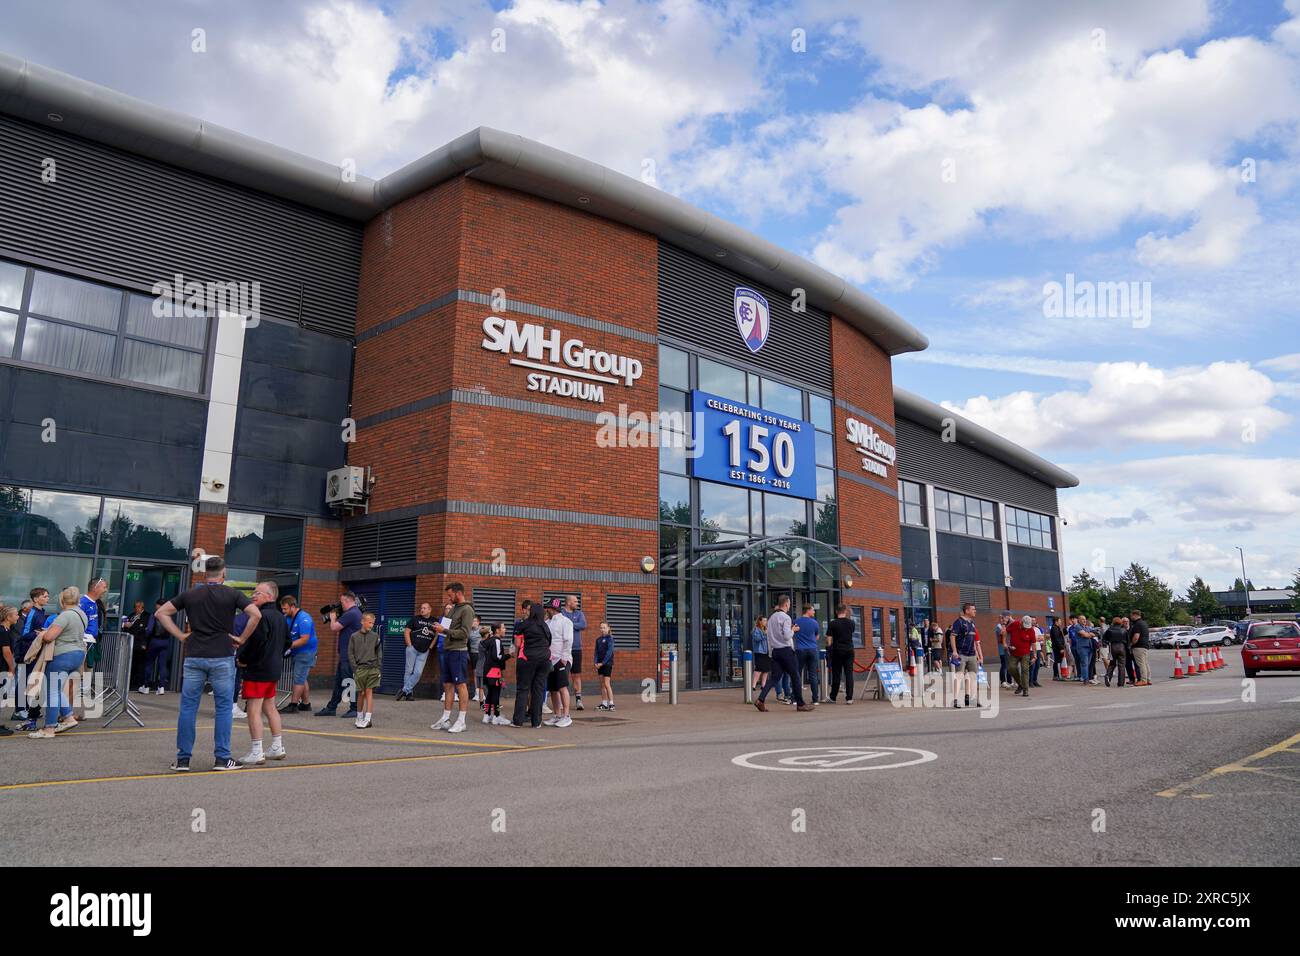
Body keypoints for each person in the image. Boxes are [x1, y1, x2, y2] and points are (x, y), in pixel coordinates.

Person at [154, 556, 261, 771]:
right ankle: (222, 758)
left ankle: (183, 759)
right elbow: (255, 614)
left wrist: (181, 636)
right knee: (223, 708)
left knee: (188, 708)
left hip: (194, 655)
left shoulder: (191, 594)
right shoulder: (232, 594)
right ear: (224, 573)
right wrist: (241, 639)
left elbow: (161, 613)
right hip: (222, 655)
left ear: (205, 574)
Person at [25, 586, 89, 739]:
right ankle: (68, 717)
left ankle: (49, 728)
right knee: (57, 689)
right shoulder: (82, 614)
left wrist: (43, 633)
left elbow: (49, 637)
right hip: (77, 655)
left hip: (62, 655)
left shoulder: (65, 615)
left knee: (52, 691)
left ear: (62, 600)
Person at [236, 581, 290, 764]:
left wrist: (243, 659)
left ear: (269, 596)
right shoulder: (281, 617)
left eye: (258, 593)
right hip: (273, 669)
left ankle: (257, 751)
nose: (253, 595)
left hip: (258, 669)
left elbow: (255, 643)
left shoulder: (260, 616)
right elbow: (288, 642)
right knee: (270, 707)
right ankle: (277, 746)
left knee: (253, 709)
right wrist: (276, 655)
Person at [754, 596, 811, 712]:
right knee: (795, 676)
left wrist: (771, 653)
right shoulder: (786, 618)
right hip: (786, 650)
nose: (789, 606)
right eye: (789, 604)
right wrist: (793, 630)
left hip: (775, 651)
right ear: (786, 604)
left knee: (774, 677)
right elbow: (786, 636)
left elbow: (769, 637)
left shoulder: (771, 618)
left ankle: (760, 699)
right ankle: (800, 704)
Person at [431, 583, 475, 734]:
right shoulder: (454, 608)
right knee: (448, 685)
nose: (449, 598)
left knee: (461, 685)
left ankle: (461, 721)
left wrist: (444, 630)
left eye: (450, 595)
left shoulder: (467, 610)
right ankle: (445, 718)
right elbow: (446, 629)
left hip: (458, 652)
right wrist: (440, 627)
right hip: (448, 650)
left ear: (458, 593)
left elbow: (464, 633)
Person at [317, 592, 362, 718]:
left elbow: (334, 627)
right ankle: (331, 707)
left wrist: (332, 617)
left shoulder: (351, 614)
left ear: (347, 601)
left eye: (342, 602)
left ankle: (354, 708)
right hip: (346, 655)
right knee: (339, 682)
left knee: (349, 681)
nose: (340, 604)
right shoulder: (355, 613)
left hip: (349, 655)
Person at [511, 600, 552, 728]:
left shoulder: (522, 625)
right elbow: (549, 642)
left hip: (527, 658)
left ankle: (518, 721)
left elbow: (517, 644)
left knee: (523, 689)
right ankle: (536, 722)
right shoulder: (545, 626)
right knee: (538, 690)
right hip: (544, 660)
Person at [12, 588, 50, 727]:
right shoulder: (33, 612)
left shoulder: (41, 612)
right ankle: (19, 710)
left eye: (47, 596)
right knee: (23, 681)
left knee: (34, 681)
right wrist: (38, 633)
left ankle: (30, 708)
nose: (47, 598)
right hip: (27, 652)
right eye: (44, 596)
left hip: (36, 651)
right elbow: (25, 634)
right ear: (36, 599)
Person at [278, 595, 317, 713]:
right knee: (301, 677)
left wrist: (287, 646)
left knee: (299, 678)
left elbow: (304, 639)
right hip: (297, 651)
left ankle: (293, 705)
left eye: (285, 609)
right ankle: (305, 704)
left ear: (293, 607)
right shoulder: (288, 617)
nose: (283, 611)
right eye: (282, 609)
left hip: (306, 652)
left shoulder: (304, 619)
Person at [543, 599, 574, 728]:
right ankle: (557, 715)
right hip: (550, 660)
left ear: (552, 609)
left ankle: (566, 716)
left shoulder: (566, 622)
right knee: (553, 689)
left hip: (561, 659)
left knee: (562, 687)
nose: (546, 610)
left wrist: (565, 657)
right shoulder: (547, 622)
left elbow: (568, 640)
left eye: (548, 608)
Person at [349, 611, 382, 729]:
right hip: (360, 669)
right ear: (362, 622)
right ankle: (359, 716)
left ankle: (368, 719)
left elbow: (379, 652)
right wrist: (355, 668)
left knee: (369, 691)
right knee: (361, 693)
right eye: (369, 622)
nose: (371, 625)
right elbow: (350, 653)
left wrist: (378, 667)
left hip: (373, 668)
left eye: (373, 623)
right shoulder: (354, 636)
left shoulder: (375, 636)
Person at [398, 603, 436, 702]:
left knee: (418, 673)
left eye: (424, 608)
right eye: (421, 608)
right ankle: (409, 694)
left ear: (429, 609)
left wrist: (430, 647)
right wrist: (409, 645)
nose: (422, 610)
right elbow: (406, 631)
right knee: (408, 671)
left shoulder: (434, 621)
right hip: (413, 649)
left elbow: (437, 635)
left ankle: (404, 690)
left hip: (424, 651)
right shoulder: (415, 619)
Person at [948, 603, 981, 708]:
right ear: (967, 611)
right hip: (961, 653)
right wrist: (954, 651)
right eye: (973, 609)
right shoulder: (959, 622)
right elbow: (952, 637)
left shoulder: (972, 623)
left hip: (971, 654)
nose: (975, 611)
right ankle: (955, 700)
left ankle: (971, 699)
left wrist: (976, 654)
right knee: (959, 676)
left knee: (973, 677)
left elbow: (973, 640)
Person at [481, 623, 510, 724]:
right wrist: (509, 655)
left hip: (487, 670)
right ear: (497, 630)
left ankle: (487, 715)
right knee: (496, 694)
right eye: (503, 627)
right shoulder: (496, 641)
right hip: (494, 671)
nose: (505, 629)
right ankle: (496, 716)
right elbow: (497, 657)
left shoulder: (489, 640)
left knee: (490, 693)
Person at [140, 599, 171, 694]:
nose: (155, 606)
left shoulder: (155, 615)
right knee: (162, 665)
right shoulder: (168, 615)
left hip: (155, 641)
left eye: (156, 605)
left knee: (149, 663)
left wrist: (145, 639)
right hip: (165, 641)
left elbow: (149, 629)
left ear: (158, 605)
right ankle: (161, 687)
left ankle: (146, 686)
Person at [793, 604, 822, 705]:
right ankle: (815, 699)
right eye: (813, 610)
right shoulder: (814, 623)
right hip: (812, 650)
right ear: (808, 610)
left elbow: (793, 633)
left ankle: (795, 698)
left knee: (797, 674)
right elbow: (817, 636)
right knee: (813, 675)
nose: (814, 612)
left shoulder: (796, 621)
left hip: (800, 650)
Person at [826, 604, 856, 704]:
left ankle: (833, 697)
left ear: (836, 612)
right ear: (845, 611)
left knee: (836, 674)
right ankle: (849, 698)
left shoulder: (832, 623)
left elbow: (829, 638)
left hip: (837, 650)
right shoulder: (851, 623)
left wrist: (829, 647)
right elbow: (851, 632)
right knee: (849, 674)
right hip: (849, 650)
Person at [562, 595, 587, 710]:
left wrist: (570, 624)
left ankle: (578, 700)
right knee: (563, 675)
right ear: (568, 602)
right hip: (564, 649)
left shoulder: (579, 614)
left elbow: (583, 625)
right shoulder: (561, 613)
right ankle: (562, 701)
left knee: (576, 675)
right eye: (575, 601)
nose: (577, 603)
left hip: (576, 649)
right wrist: (573, 625)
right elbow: (561, 626)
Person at [1005, 614, 1035, 698]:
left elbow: (1033, 643)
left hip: (1025, 654)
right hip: (1014, 653)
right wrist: (1006, 643)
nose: (1026, 628)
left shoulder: (1031, 630)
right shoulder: (1015, 624)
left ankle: (1025, 690)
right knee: (1011, 668)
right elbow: (1005, 632)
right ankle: (1020, 684)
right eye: (1024, 626)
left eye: (1027, 626)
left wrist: (1034, 655)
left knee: (1025, 670)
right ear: (1021, 622)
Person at [0, 604, 18, 736]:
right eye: (16, 614)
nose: (17, 616)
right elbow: (6, 652)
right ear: (8, 617)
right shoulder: (2, 631)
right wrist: (12, 667)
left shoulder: (7, 630)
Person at [124, 600, 150, 691]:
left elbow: (143, 629)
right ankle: (130, 682)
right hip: (131, 642)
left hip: (140, 643)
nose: (136, 609)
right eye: (135, 607)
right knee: (132, 663)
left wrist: (131, 626)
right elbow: (126, 625)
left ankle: (140, 683)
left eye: (138, 607)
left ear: (142, 607)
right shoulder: (132, 615)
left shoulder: (147, 616)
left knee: (141, 664)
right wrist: (125, 625)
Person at [594, 621, 615, 711]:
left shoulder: (610, 639)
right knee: (602, 685)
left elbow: (609, 652)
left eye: (604, 628)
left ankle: (611, 704)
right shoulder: (598, 640)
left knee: (607, 684)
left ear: (608, 628)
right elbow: (596, 653)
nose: (602, 629)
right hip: (599, 665)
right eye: (601, 628)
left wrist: (603, 663)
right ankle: (604, 703)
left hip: (607, 664)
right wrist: (596, 662)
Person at [1103, 617, 1129, 687]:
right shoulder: (1124, 630)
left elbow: (1104, 638)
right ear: (1121, 622)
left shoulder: (1109, 630)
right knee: (1122, 666)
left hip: (1113, 647)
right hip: (1122, 647)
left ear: (1113, 622)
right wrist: (1128, 649)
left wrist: (1105, 644)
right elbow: (1127, 641)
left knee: (1112, 664)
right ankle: (1120, 683)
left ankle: (1108, 676)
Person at [1129, 609, 1152, 686]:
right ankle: (1148, 679)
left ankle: (1143, 680)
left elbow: (1136, 637)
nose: (1131, 617)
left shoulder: (1137, 624)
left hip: (1138, 646)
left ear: (1135, 615)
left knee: (1141, 664)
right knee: (1145, 663)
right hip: (1144, 646)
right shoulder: (1144, 623)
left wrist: (1131, 644)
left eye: (1131, 615)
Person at [750, 615, 770, 696]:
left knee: (766, 669)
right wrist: (764, 634)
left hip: (767, 651)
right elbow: (757, 639)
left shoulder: (767, 629)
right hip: (759, 651)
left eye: (766, 621)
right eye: (764, 621)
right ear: (760, 621)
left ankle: (763, 685)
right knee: (758, 669)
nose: (766, 622)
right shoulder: (756, 630)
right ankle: (753, 685)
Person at [995, 613, 1011, 689]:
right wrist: (1004, 625)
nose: (1003, 620)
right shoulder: (998, 626)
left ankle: (1009, 681)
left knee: (1009, 665)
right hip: (1002, 649)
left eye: (1004, 619)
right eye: (1002, 619)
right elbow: (1002, 632)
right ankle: (1003, 681)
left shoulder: (1006, 626)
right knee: (1004, 665)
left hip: (1008, 649)